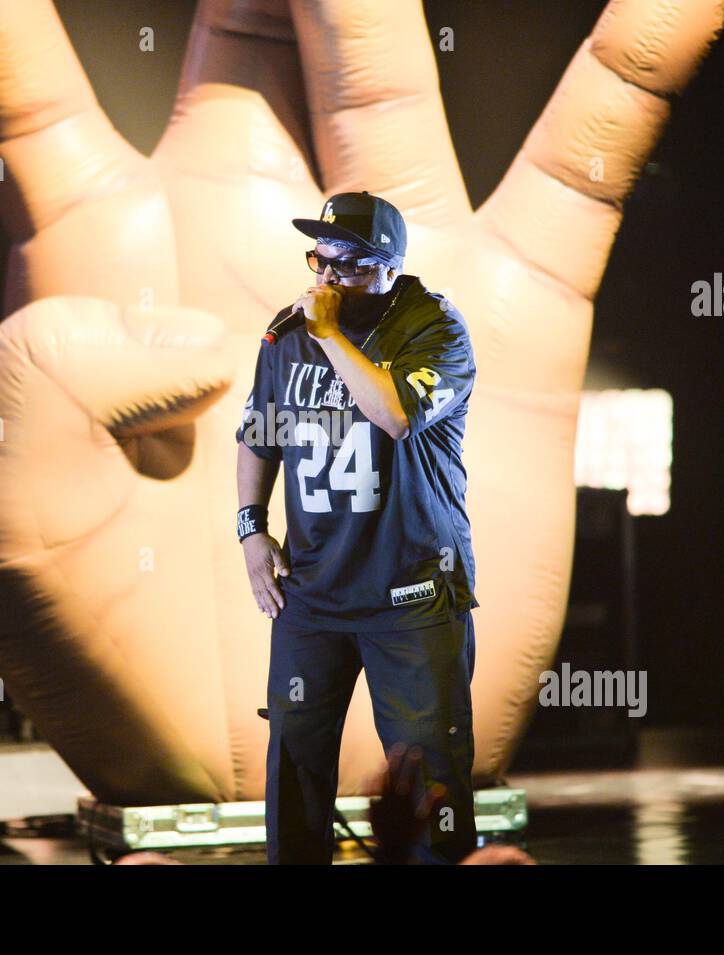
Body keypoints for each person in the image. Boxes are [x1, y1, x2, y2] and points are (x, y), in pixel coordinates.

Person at [235, 191, 479, 864]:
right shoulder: (288, 335)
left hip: (412, 591)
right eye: (320, 260)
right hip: (312, 591)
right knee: (294, 771)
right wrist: (251, 529)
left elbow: (396, 413)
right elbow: (259, 435)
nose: (328, 278)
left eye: (347, 264)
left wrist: (330, 337)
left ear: (390, 269)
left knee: (432, 776)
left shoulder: (436, 328)